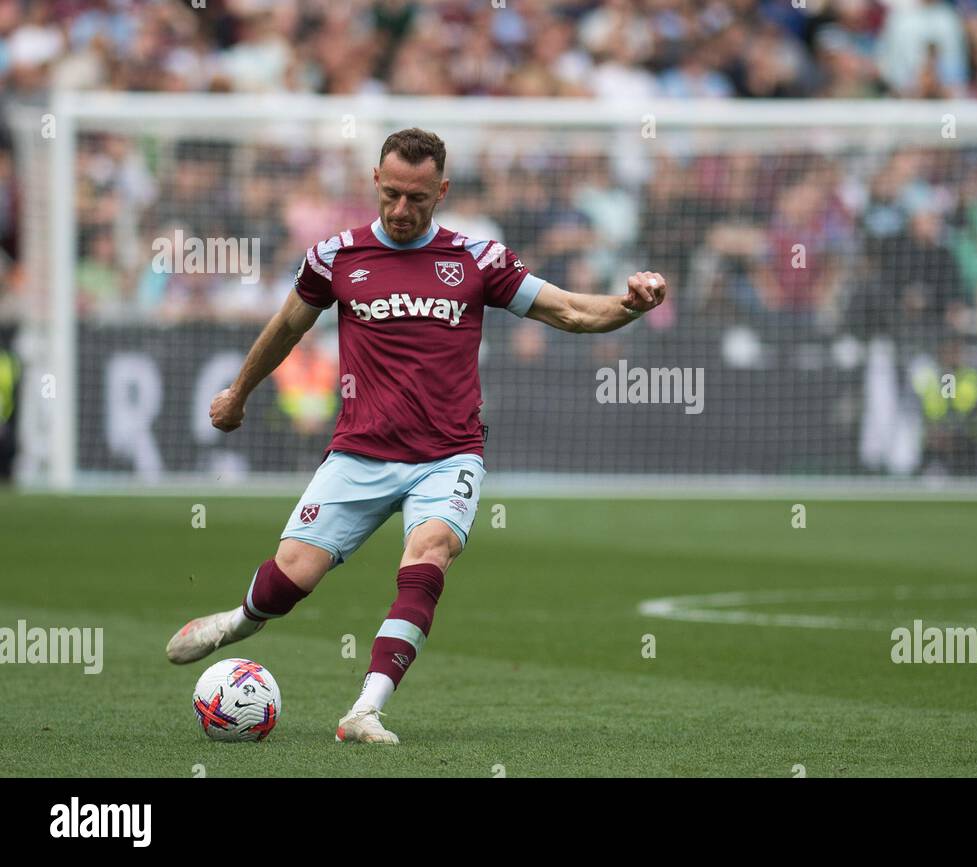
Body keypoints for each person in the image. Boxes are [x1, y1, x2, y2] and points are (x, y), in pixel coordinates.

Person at [164, 128, 667, 745]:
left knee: (429, 555)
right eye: (393, 194)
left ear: (442, 192)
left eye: (418, 199)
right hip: (359, 451)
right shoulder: (335, 257)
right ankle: (239, 623)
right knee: (290, 578)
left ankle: (364, 710)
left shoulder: (478, 260)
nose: (402, 211)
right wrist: (238, 392)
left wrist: (630, 303)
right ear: (376, 182)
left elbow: (569, 311)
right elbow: (286, 328)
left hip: (447, 453)